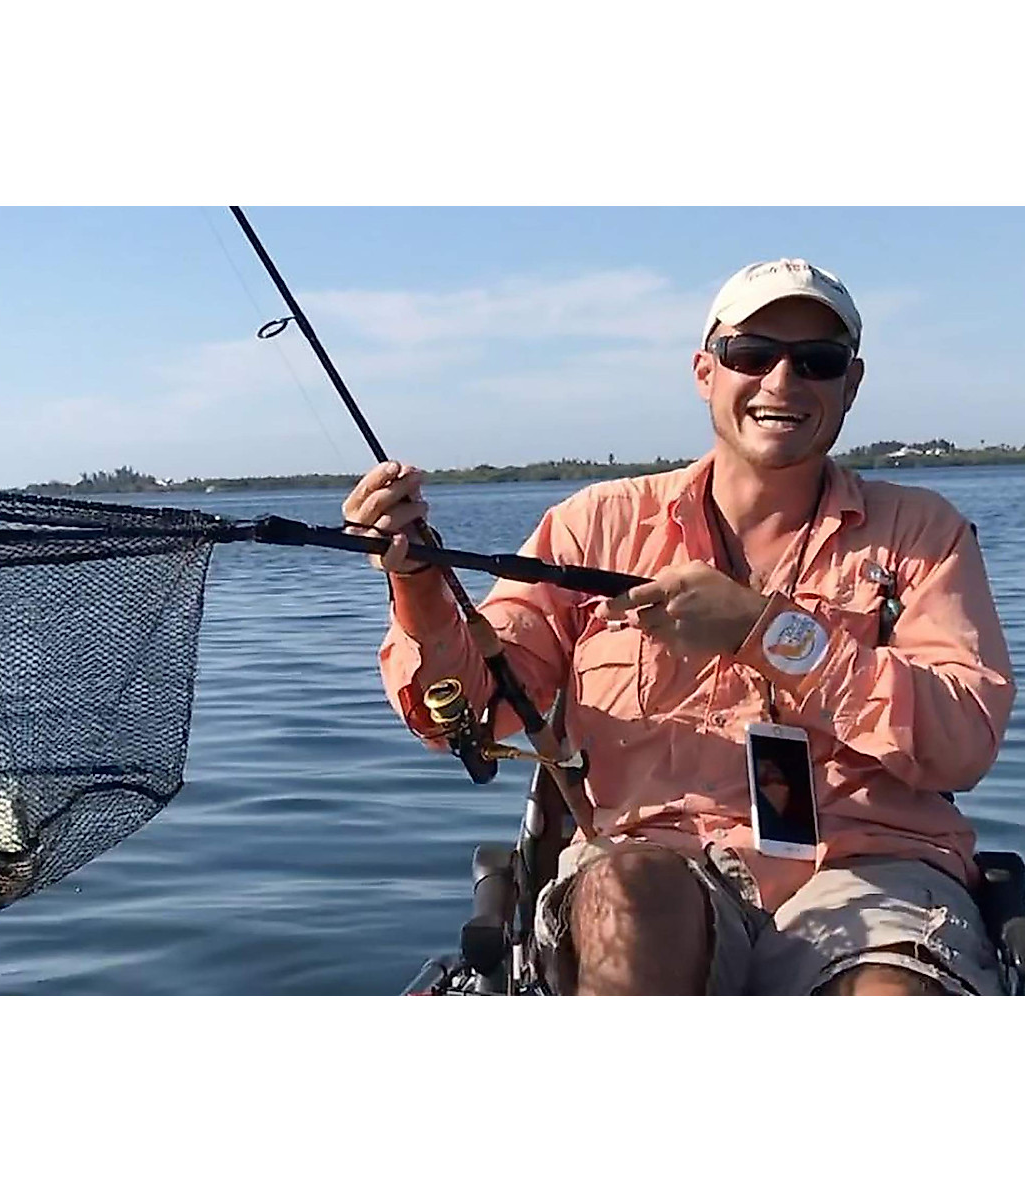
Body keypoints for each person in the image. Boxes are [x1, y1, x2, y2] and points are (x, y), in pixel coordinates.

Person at [343, 258, 1016, 996]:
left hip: (873, 870)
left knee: (891, 994)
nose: (782, 381)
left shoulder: (923, 533)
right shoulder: (593, 524)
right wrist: (419, 588)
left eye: (817, 361)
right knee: (631, 899)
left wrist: (767, 632)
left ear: (850, 384)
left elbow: (962, 745)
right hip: (654, 858)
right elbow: (471, 716)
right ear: (705, 372)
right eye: (751, 354)